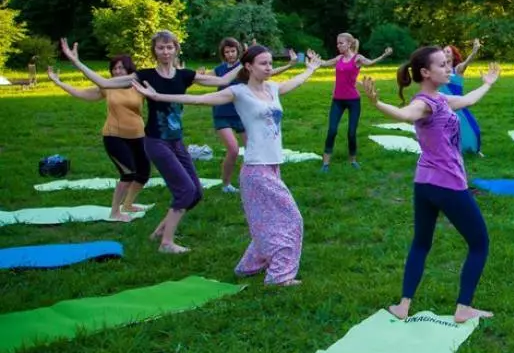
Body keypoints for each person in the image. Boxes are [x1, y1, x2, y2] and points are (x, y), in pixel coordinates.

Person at [133, 46, 321, 285]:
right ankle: (280, 275)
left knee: (264, 221)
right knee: (291, 218)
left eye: (271, 63)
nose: (269, 68)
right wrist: (159, 97)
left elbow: (294, 83)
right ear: (249, 67)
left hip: (273, 165)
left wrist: (312, 69)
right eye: (263, 63)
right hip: (256, 170)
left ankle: (250, 265)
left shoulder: (273, 88)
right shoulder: (238, 92)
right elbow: (200, 99)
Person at [60, 32, 240, 253]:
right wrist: (76, 61)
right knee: (185, 190)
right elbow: (103, 82)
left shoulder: (185, 75)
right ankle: (166, 243)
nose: (165, 52)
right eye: (160, 48)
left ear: (176, 49)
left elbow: (222, 80)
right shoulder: (144, 76)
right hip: (156, 142)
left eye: (169, 47)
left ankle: (159, 233)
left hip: (177, 141)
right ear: (154, 50)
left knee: (196, 193)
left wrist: (245, 62)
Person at [360, 47, 500, 323]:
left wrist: (486, 84)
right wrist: (378, 105)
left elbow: (468, 100)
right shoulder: (426, 103)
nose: (449, 69)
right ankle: (463, 308)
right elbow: (405, 115)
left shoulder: (441, 99)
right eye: (442, 65)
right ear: (425, 72)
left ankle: (403, 305)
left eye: (448, 64)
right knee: (479, 243)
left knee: (421, 243)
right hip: (447, 183)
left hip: (424, 182)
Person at [46, 55, 151, 221]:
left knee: (144, 173)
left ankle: (128, 205)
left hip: (138, 136)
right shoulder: (107, 87)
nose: (117, 71)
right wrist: (59, 83)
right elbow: (81, 94)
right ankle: (115, 212)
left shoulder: (139, 86)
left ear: (129, 69)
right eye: (114, 68)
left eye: (121, 68)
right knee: (128, 174)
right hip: (114, 136)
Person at [209, 38, 296, 193]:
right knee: (234, 150)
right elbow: (205, 79)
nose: (230, 54)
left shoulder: (244, 67)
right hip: (222, 113)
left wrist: (289, 66)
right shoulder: (219, 69)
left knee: (253, 150)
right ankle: (226, 184)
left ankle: (252, 181)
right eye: (227, 52)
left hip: (243, 115)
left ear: (238, 52)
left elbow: (268, 71)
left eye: (233, 51)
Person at [318, 33, 392, 171]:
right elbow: (324, 63)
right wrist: (314, 60)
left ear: (349, 44)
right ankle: (325, 163)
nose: (338, 45)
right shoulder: (339, 58)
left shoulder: (357, 59)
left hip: (353, 100)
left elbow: (370, 63)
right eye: (337, 43)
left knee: (351, 132)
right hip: (337, 100)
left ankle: (352, 160)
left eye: (341, 43)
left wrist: (384, 55)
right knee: (332, 130)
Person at [440, 39, 484, 155]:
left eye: (448, 52)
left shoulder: (458, 69)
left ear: (453, 56)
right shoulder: (438, 70)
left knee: (473, 129)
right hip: (443, 106)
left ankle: (475, 150)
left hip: (459, 104)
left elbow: (466, 63)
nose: (445, 53)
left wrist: (474, 51)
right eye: (443, 51)